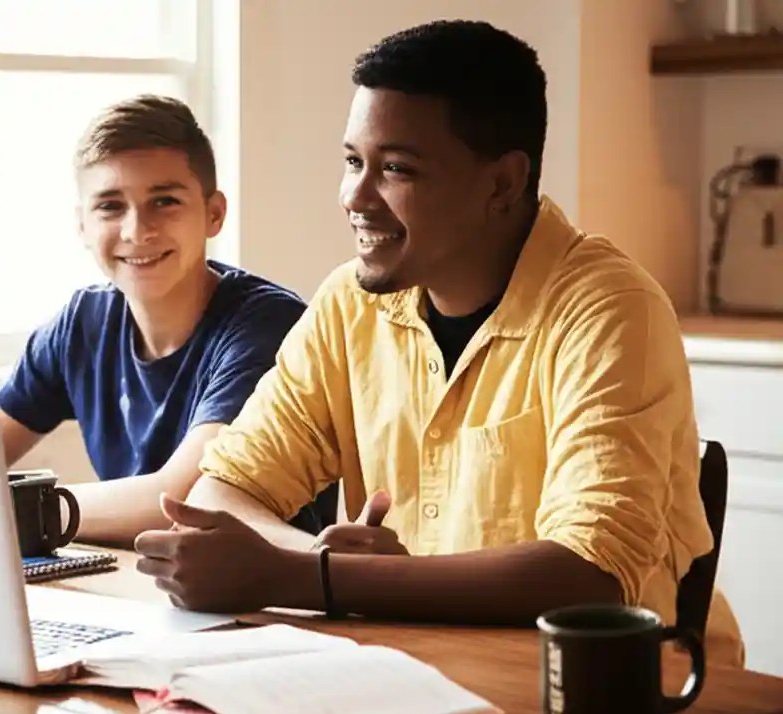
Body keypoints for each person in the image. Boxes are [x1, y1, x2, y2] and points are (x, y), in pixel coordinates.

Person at [133, 20, 743, 664]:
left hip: (607, 689)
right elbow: (221, 495)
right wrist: (320, 559)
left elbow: (587, 574)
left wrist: (306, 579)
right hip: (411, 670)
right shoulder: (349, 305)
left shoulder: (611, 310)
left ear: (503, 184)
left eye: (395, 168)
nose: (354, 197)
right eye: (352, 162)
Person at [0, 94, 336, 548]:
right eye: (111, 206)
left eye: (165, 201)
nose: (137, 230)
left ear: (213, 214)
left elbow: (185, 500)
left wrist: (12, 511)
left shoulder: (269, 325)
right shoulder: (81, 324)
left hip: (263, 602)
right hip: (134, 584)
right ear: (82, 224)